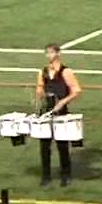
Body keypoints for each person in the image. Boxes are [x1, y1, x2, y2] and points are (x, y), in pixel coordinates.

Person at [36, 44, 82, 187]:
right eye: (47, 53)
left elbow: (77, 90)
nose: (48, 56)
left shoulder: (66, 71)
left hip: (61, 112)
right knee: (44, 146)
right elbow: (40, 89)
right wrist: (40, 97)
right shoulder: (42, 72)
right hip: (46, 112)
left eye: (51, 53)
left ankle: (65, 175)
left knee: (62, 145)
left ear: (57, 54)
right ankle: (45, 176)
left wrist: (62, 102)